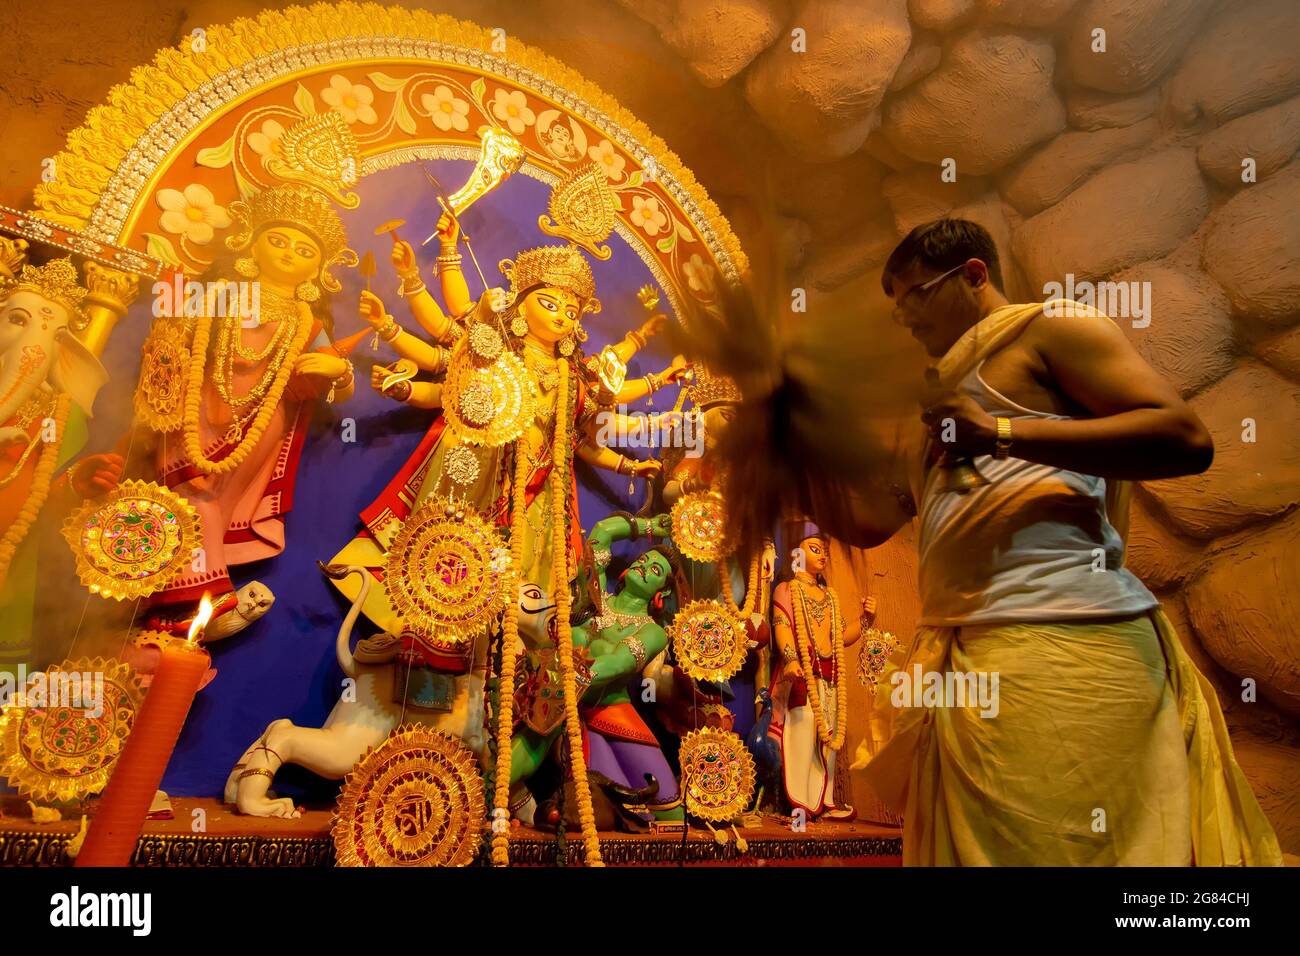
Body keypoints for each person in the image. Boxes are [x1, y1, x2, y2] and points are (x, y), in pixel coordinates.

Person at [833, 217, 1281, 866]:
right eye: (894, 301)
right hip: (970, 657)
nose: (902, 315)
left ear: (974, 275)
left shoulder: (1050, 331)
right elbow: (872, 523)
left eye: (913, 292)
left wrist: (1004, 434)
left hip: (1071, 646)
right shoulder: (932, 406)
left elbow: (1184, 438)